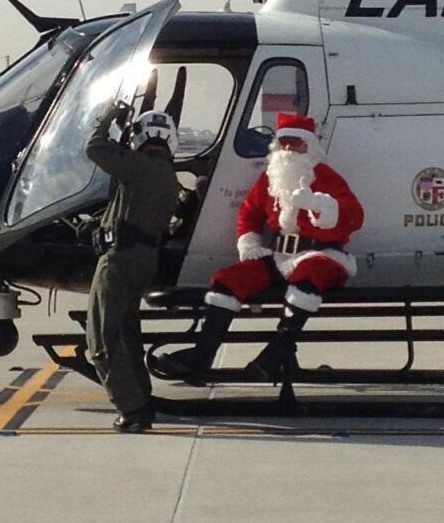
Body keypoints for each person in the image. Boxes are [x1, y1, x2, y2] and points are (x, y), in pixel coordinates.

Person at [154, 112, 364, 383]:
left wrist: (318, 205)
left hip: (322, 254)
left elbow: (354, 216)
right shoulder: (270, 178)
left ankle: (276, 353)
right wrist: (250, 243)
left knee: (309, 275)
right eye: (284, 143)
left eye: (296, 143)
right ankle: (202, 355)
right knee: (228, 280)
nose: (288, 149)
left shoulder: (325, 176)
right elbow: (249, 212)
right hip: (280, 256)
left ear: (309, 147)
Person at [85, 101, 179, 432]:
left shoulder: (139, 167)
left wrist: (108, 117)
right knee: (127, 335)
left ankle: (131, 408)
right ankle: (142, 400)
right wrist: (99, 225)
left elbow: (94, 148)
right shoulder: (167, 176)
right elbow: (131, 210)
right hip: (142, 260)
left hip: (119, 261)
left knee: (101, 340)